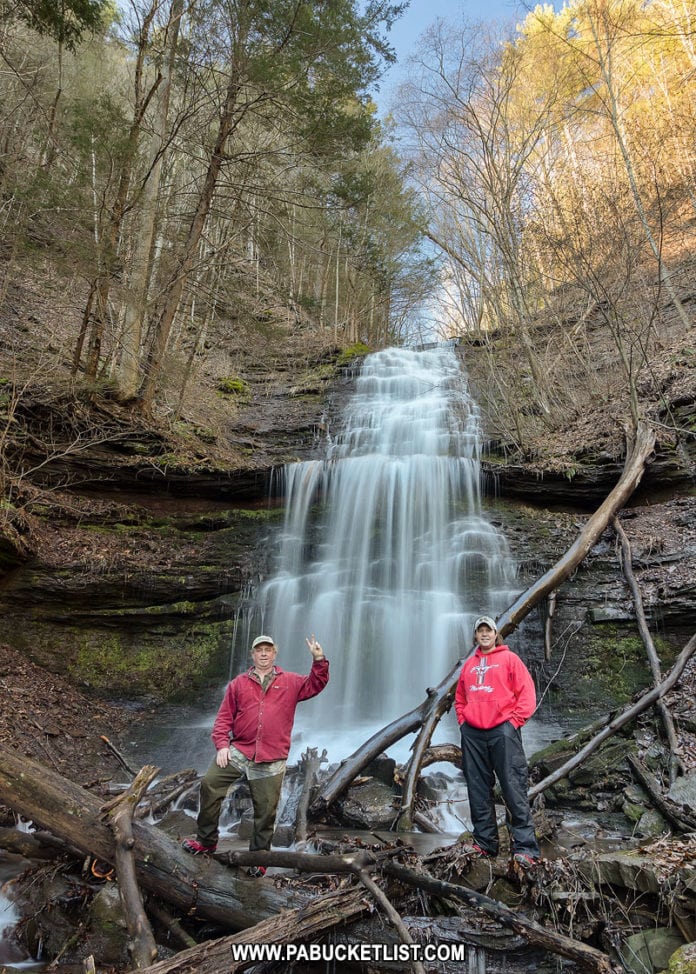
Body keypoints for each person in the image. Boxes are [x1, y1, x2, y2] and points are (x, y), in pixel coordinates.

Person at [182, 634, 329, 875]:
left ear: (274, 653)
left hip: (271, 756)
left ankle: (259, 857)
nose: (263, 653)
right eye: (259, 649)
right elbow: (223, 719)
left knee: (266, 809)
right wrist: (221, 745)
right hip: (240, 749)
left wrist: (319, 659)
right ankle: (207, 841)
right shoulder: (238, 684)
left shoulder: (290, 682)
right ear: (252, 655)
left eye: (267, 650)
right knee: (210, 784)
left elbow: (316, 684)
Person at [455, 615, 540, 867]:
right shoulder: (469, 666)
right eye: (480, 631)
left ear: (495, 635)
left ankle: (525, 848)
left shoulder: (510, 659)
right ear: (475, 636)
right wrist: (463, 721)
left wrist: (513, 723)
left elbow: (527, 693)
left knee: (513, 786)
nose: (484, 634)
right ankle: (485, 843)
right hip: (473, 733)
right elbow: (460, 698)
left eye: (488, 630)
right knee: (478, 788)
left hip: (503, 730)